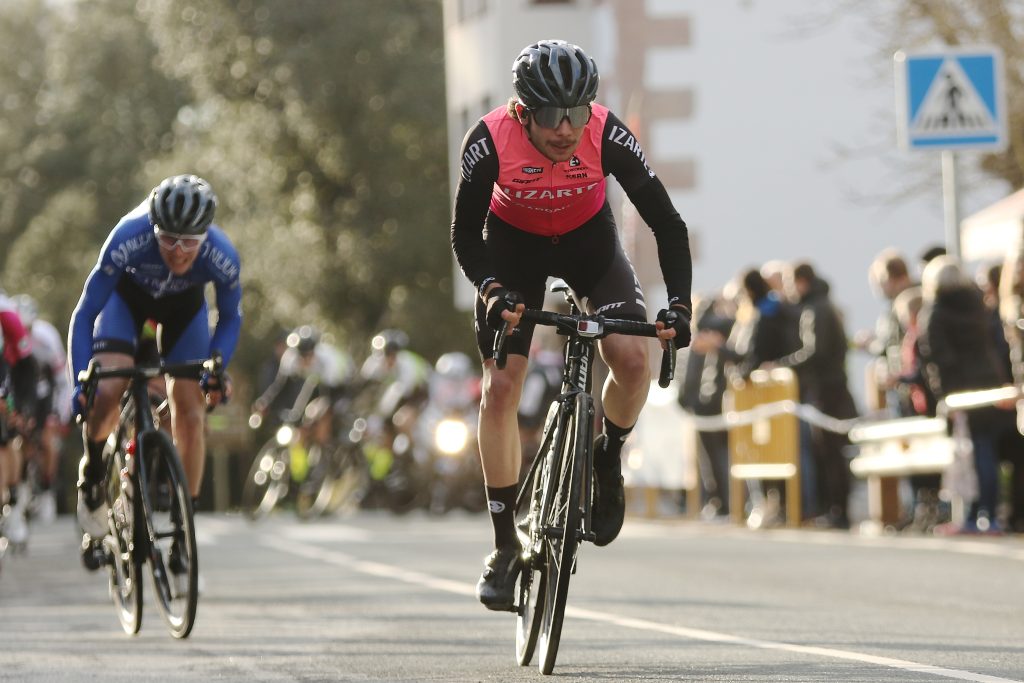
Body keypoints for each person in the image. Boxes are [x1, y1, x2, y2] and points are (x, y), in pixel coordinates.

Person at [449, 39, 692, 610]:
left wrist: (679, 304)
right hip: (514, 255)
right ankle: (505, 544)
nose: (565, 129)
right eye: (552, 116)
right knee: (503, 385)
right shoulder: (487, 141)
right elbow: (464, 236)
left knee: (633, 362)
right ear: (521, 112)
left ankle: (607, 457)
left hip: (591, 249)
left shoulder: (606, 133)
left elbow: (668, 224)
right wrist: (491, 288)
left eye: (577, 114)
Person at [67, 175, 240, 564]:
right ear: (154, 230)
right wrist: (81, 378)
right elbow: (85, 313)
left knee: (190, 413)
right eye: (169, 241)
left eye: (189, 243)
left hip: (184, 312)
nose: (179, 253)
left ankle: (183, 527)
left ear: (205, 236)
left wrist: (217, 367)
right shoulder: (129, 235)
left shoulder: (222, 253)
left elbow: (230, 318)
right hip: (126, 306)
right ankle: (93, 471)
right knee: (108, 392)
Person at [777, 262, 859, 529]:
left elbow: (815, 351)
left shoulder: (816, 309)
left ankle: (838, 511)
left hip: (828, 389)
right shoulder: (822, 306)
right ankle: (835, 509)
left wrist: (783, 364)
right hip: (830, 387)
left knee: (831, 452)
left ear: (802, 281)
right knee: (828, 452)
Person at [12, 293, 71, 523]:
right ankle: (22, 486)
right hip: (21, 393)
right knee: (22, 441)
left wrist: (59, 416)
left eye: (27, 329)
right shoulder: (8, 336)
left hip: (47, 394)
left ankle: (47, 491)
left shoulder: (46, 338)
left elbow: (63, 381)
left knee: (47, 441)